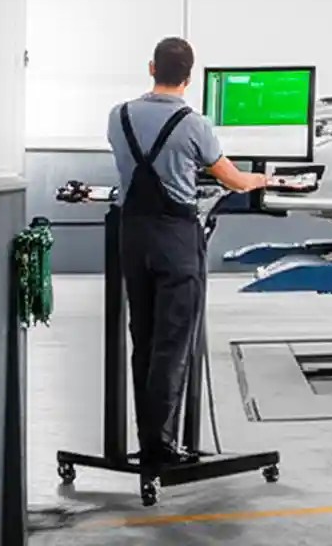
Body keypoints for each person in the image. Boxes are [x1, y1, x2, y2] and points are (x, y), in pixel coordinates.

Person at [106, 37, 267, 484]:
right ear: (190, 76)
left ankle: (150, 438)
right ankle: (162, 450)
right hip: (176, 238)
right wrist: (262, 178)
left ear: (151, 66)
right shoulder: (194, 123)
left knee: (145, 335)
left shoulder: (117, 116)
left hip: (132, 238)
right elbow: (230, 179)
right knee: (174, 344)